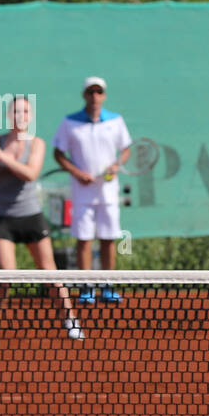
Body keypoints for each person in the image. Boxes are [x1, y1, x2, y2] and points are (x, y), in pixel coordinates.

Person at [0, 95, 83, 339]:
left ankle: (70, 320)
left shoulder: (37, 144)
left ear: (30, 116)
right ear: (8, 116)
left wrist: (2, 158)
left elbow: (30, 174)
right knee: (6, 274)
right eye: (15, 112)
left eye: (25, 112)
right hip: (0, 217)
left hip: (30, 215)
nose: (20, 116)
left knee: (49, 272)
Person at [51, 76, 132, 303]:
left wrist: (116, 165)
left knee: (108, 239)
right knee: (84, 240)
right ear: (84, 95)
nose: (94, 96)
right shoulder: (69, 122)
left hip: (107, 191)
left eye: (99, 92)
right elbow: (58, 153)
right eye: (90, 92)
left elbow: (125, 149)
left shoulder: (116, 121)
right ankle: (86, 287)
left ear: (104, 95)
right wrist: (77, 173)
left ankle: (107, 285)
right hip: (82, 191)